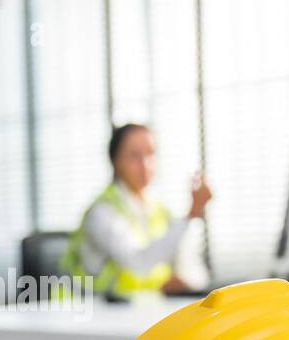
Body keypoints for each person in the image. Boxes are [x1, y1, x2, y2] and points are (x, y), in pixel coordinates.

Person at [61, 123, 212, 298]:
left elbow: (194, 271)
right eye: (134, 155)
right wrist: (191, 214)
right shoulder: (101, 212)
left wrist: (186, 282)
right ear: (115, 161)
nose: (145, 164)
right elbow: (138, 263)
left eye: (150, 154)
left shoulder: (160, 211)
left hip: (140, 308)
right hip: (85, 308)